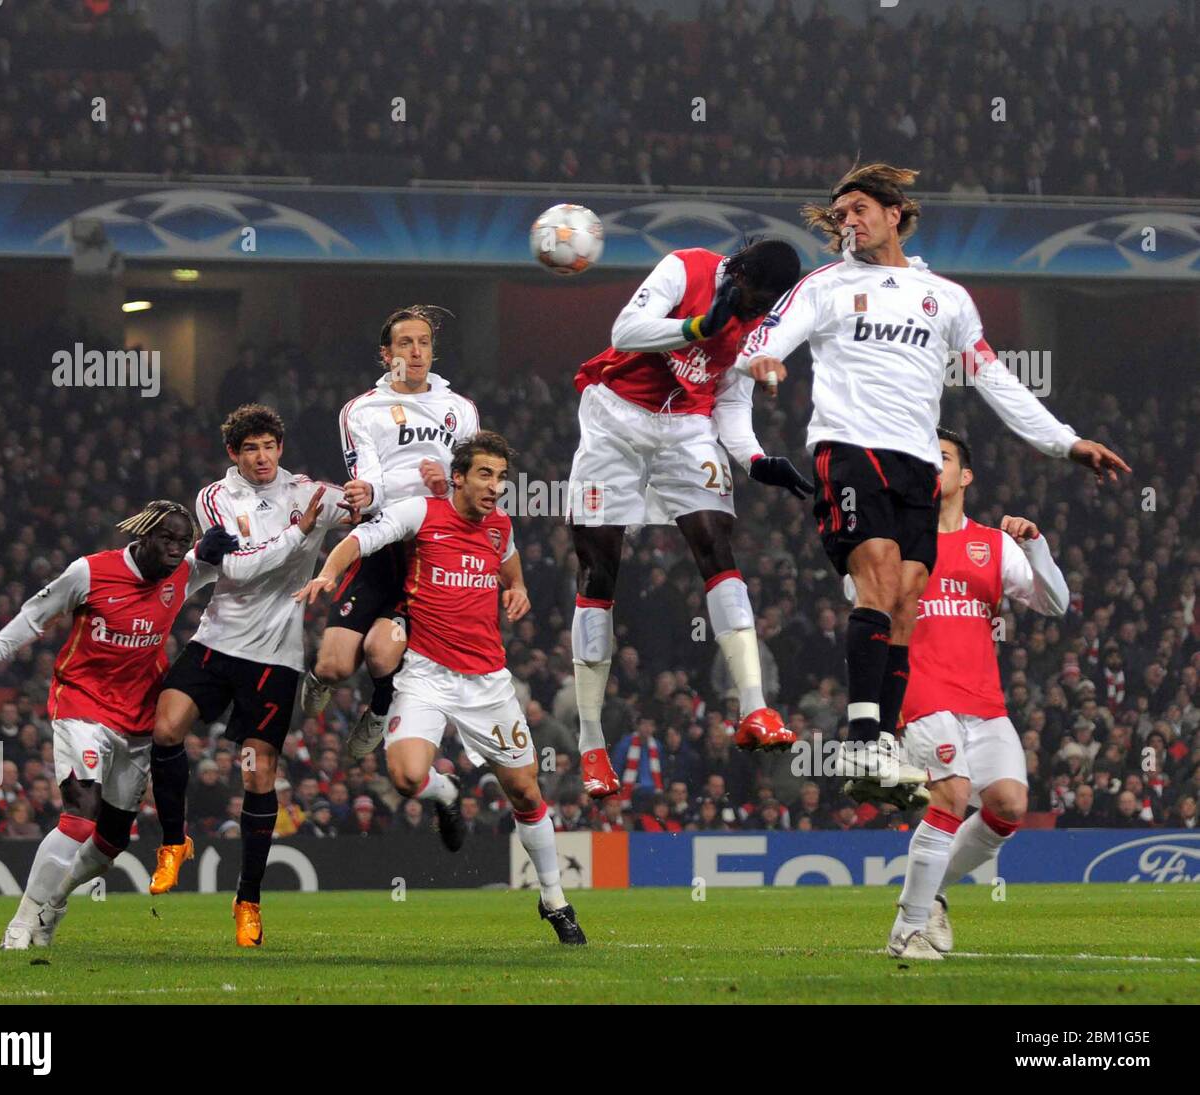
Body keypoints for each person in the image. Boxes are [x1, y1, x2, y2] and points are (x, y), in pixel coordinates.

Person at [735, 162, 1130, 806]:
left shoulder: (945, 298)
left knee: (909, 600)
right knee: (880, 578)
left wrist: (1064, 441)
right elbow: (769, 336)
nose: (848, 222)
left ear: (895, 214)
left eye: (859, 209)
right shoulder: (824, 286)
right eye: (839, 215)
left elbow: (993, 377)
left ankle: (882, 743)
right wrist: (765, 357)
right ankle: (862, 735)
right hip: (848, 447)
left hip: (917, 462)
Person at [297, 431, 586, 944]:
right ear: (458, 477)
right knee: (407, 778)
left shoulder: (499, 526)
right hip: (426, 675)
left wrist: (516, 586)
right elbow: (359, 540)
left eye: (501, 477)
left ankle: (554, 898)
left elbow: (509, 559)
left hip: (489, 684)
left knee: (524, 790)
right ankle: (445, 791)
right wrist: (327, 574)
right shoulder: (421, 514)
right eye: (484, 474)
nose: (495, 486)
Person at [568, 237, 813, 797]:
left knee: (716, 544)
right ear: (740, 271)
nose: (753, 315)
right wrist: (699, 327)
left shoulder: (758, 321)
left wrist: (755, 461)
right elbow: (625, 332)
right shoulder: (688, 267)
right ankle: (590, 743)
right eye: (751, 301)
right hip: (614, 417)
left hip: (687, 430)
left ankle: (755, 708)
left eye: (765, 309)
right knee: (598, 572)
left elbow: (729, 401)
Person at [0, 500, 240, 949]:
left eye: (183, 541)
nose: (176, 549)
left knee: (111, 841)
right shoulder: (90, 573)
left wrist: (227, 549)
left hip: (139, 718)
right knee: (80, 817)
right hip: (83, 704)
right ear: (143, 537)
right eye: (167, 539)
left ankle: (54, 903)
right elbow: (32, 617)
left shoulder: (183, 569)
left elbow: (240, 564)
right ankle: (21, 923)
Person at [863, 429, 1071, 959]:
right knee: (952, 796)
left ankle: (929, 895)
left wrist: (1035, 546)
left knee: (1007, 806)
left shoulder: (993, 544)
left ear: (965, 476)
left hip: (983, 699)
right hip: (921, 690)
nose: (932, 464)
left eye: (945, 456)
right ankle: (907, 930)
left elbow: (1055, 604)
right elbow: (862, 604)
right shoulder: (895, 543)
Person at [144, 404, 344, 949]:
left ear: (281, 447)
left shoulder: (308, 493)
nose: (261, 457)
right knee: (165, 729)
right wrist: (299, 534)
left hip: (276, 658)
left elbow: (364, 506)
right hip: (217, 643)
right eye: (250, 448)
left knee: (257, 776)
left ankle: (248, 901)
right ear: (234, 453)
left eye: (269, 446)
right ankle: (172, 842)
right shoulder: (216, 498)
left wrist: (375, 492)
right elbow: (237, 565)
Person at [300, 305, 480, 764]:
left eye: (423, 342)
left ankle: (380, 710)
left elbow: (475, 484)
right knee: (334, 665)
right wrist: (367, 491)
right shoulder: (361, 411)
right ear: (386, 354)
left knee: (382, 655)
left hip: (430, 552)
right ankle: (321, 679)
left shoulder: (460, 410)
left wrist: (447, 486)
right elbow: (369, 476)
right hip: (381, 539)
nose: (416, 351)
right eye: (405, 343)